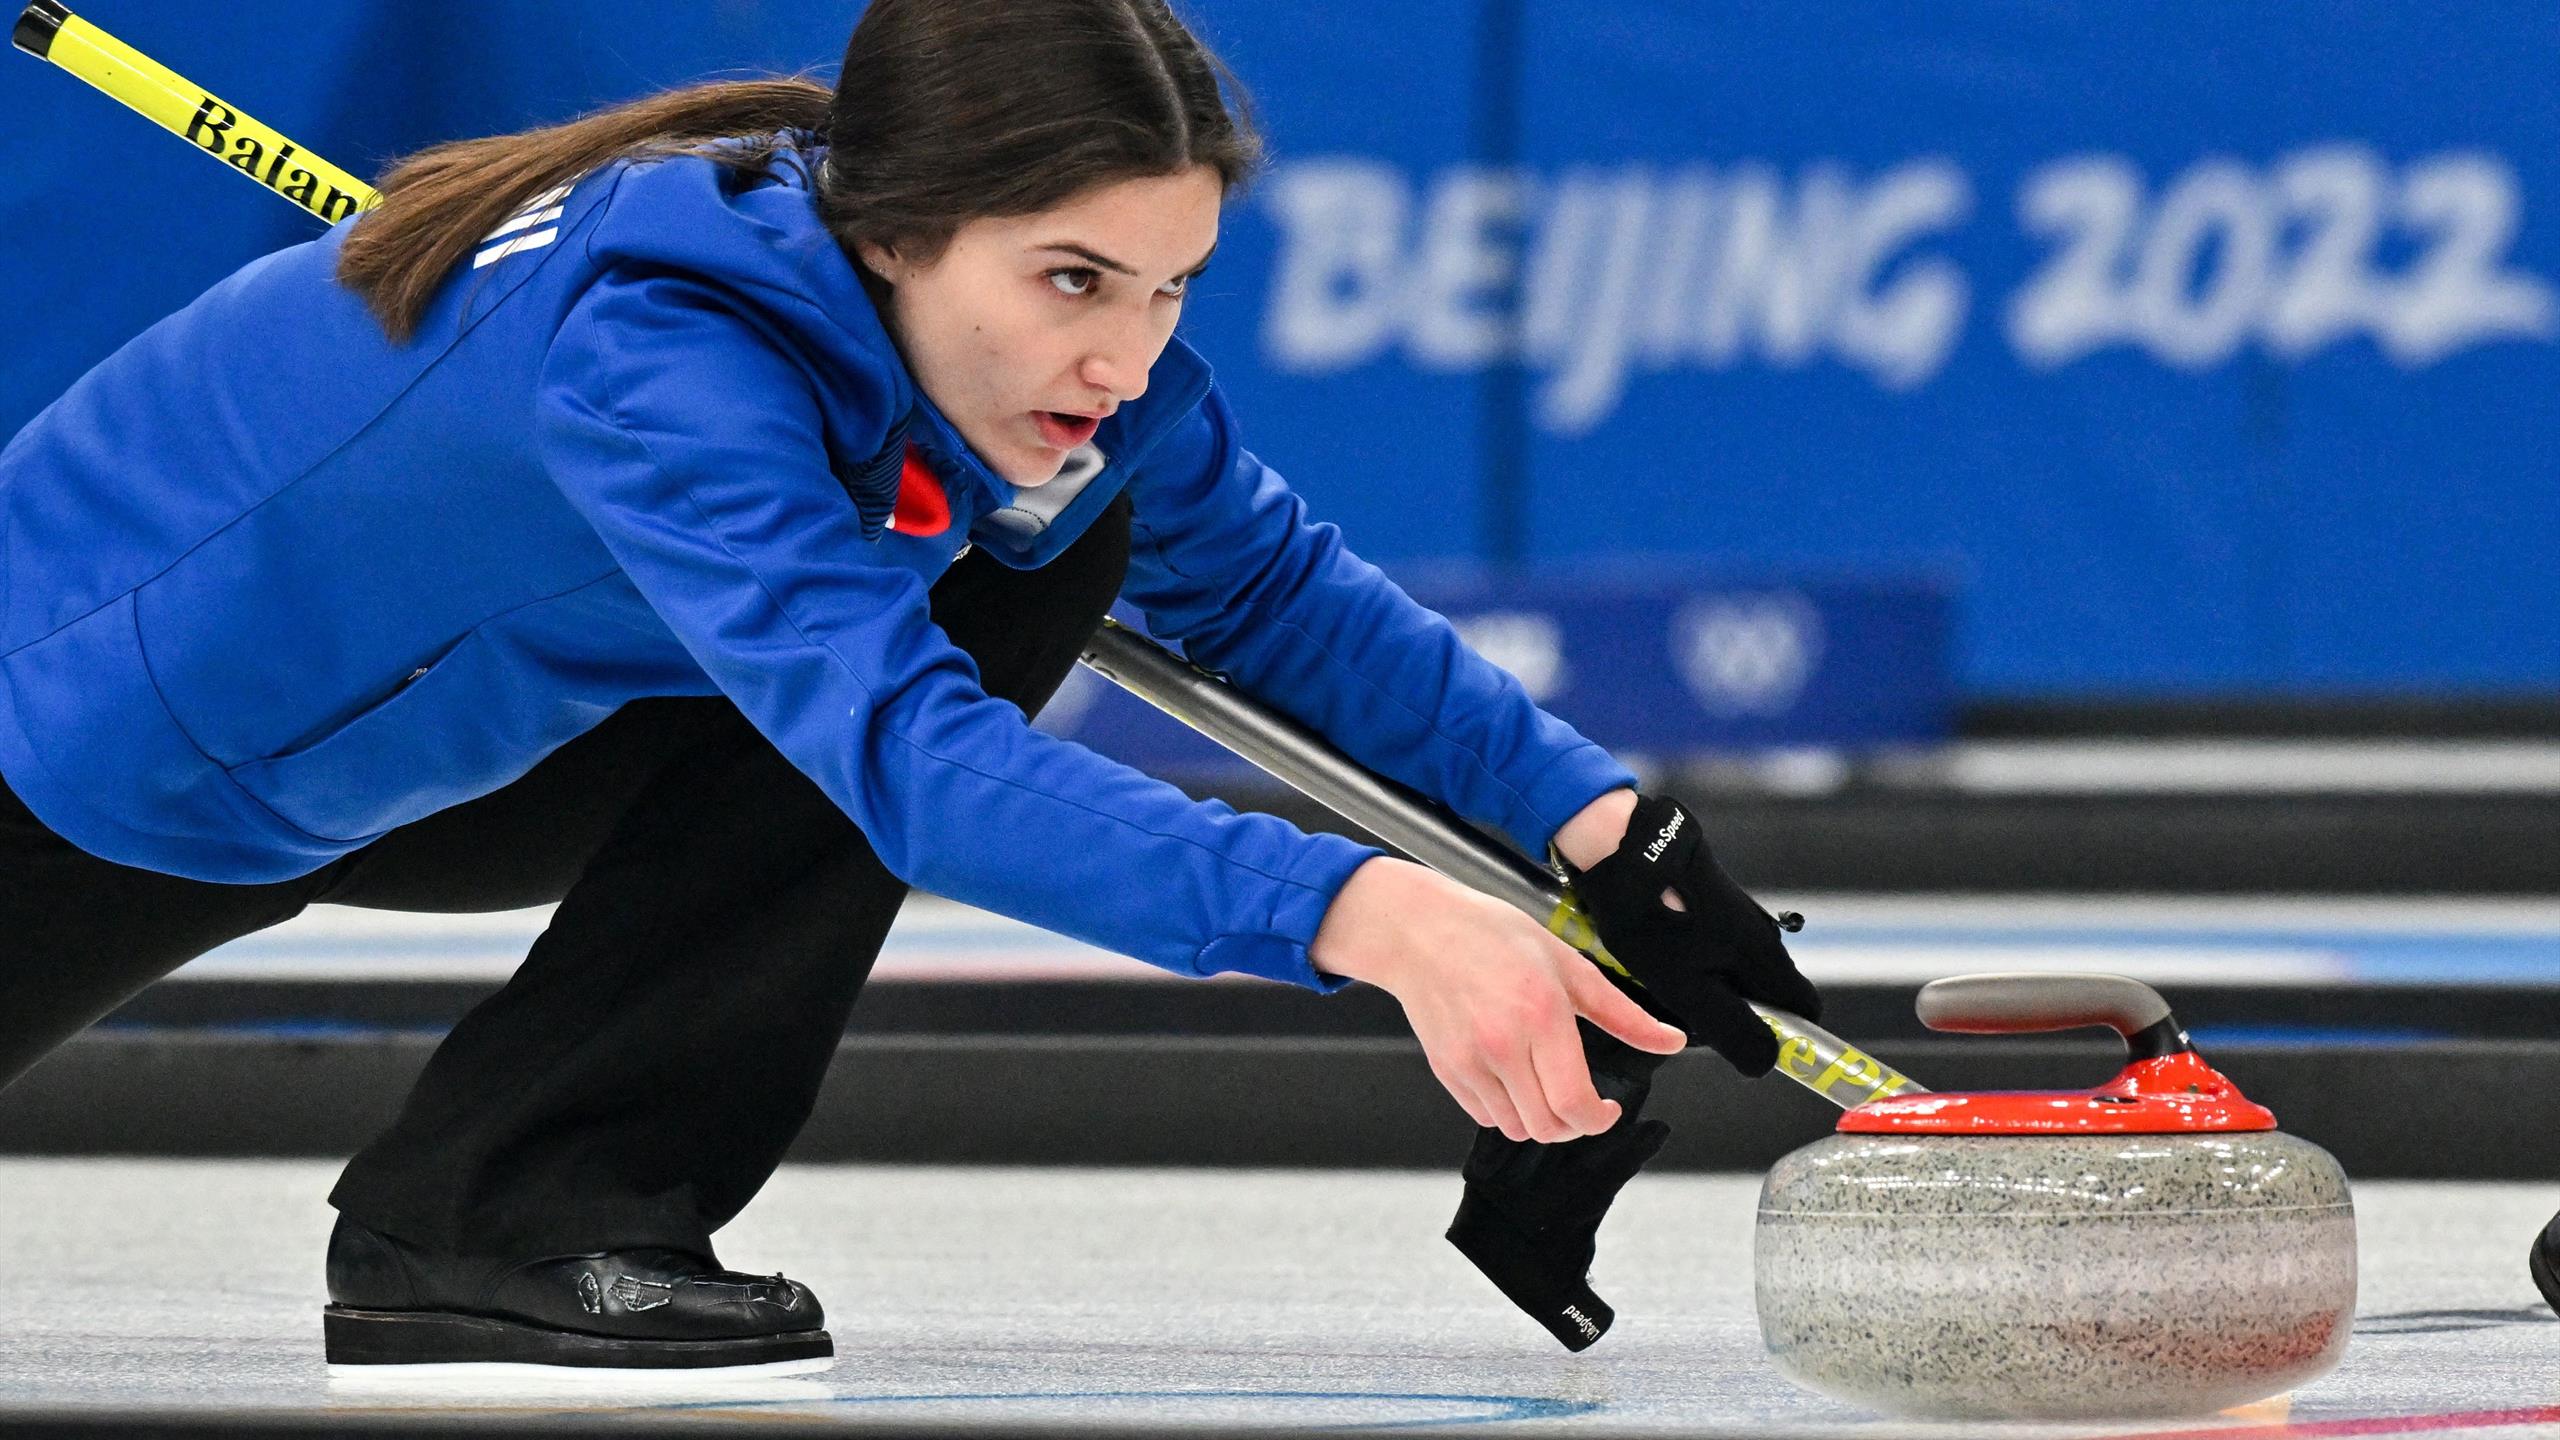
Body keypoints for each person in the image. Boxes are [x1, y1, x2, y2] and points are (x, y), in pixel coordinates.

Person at [0, 0, 1817, 1373]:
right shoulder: (664, 351)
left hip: (461, 740)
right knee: (928, 635)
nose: (1123, 349)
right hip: (100, 755)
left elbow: (1258, 585)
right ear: (896, 231)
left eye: (1172, 285)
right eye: (1073, 279)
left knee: (1049, 542)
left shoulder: (1048, 375)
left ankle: (514, 1212)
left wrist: (1610, 827)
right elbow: (907, 759)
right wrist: (1371, 913)